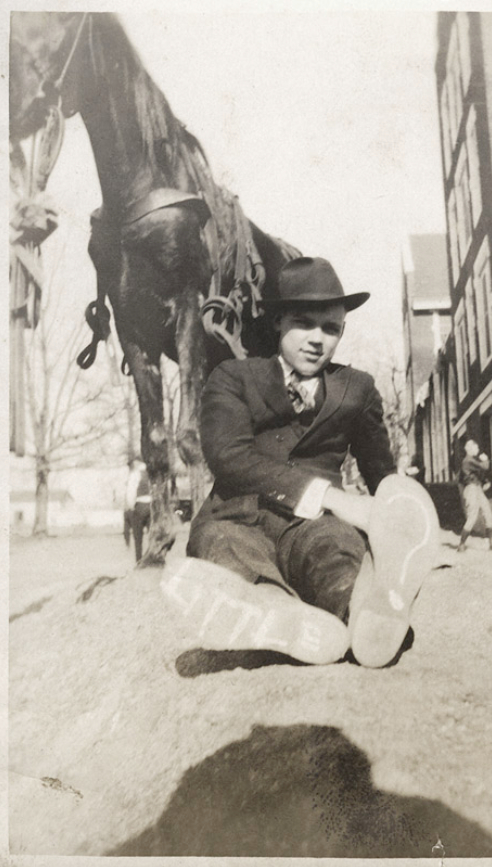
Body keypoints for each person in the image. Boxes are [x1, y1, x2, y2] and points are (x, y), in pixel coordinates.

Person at [184, 256, 439, 668]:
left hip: (315, 524)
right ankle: (276, 611)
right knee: (225, 550)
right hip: (238, 518)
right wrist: (332, 496)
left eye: (331, 328)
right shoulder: (233, 378)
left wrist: (394, 520)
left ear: (342, 333)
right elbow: (229, 457)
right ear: (278, 324)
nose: (317, 339)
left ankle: (362, 613)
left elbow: (381, 474)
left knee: (336, 550)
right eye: (304, 323)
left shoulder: (357, 389)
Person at [457, 438, 492, 552]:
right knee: (472, 516)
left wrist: (485, 482)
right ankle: (461, 545)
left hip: (476, 488)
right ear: (470, 448)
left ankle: (490, 544)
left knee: (488, 514)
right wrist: (485, 459)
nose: (478, 450)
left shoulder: (471, 461)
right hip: (472, 489)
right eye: (476, 447)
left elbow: (477, 474)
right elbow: (484, 467)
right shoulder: (467, 460)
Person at [124, 458, 151, 562]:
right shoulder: (150, 473)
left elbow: (131, 491)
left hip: (140, 505)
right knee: (152, 535)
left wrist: (131, 506)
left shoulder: (135, 474)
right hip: (151, 505)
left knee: (138, 536)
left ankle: (139, 560)